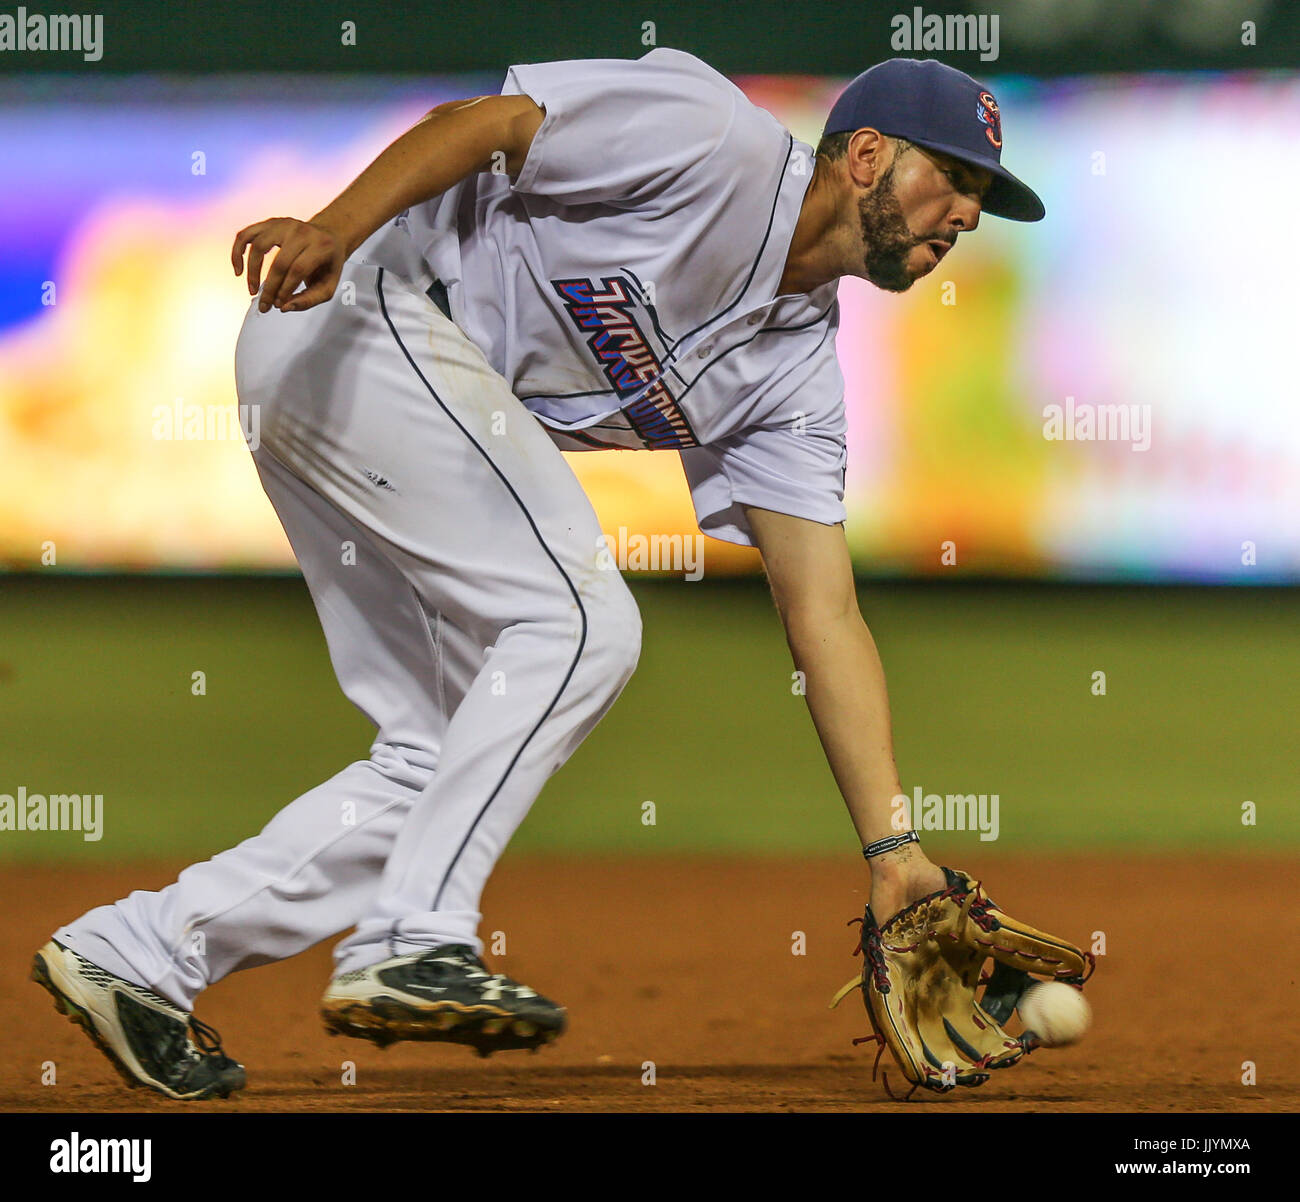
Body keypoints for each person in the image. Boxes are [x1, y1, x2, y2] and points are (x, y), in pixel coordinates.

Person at [33, 52, 1045, 1100]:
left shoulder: (791, 379)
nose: (966, 215)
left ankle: (139, 953)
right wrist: (332, 226)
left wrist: (893, 851)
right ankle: (413, 935)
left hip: (383, 399)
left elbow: (824, 612)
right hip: (360, 310)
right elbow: (489, 123)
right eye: (956, 179)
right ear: (869, 155)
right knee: (579, 625)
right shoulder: (718, 143)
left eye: (980, 198)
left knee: (442, 751)